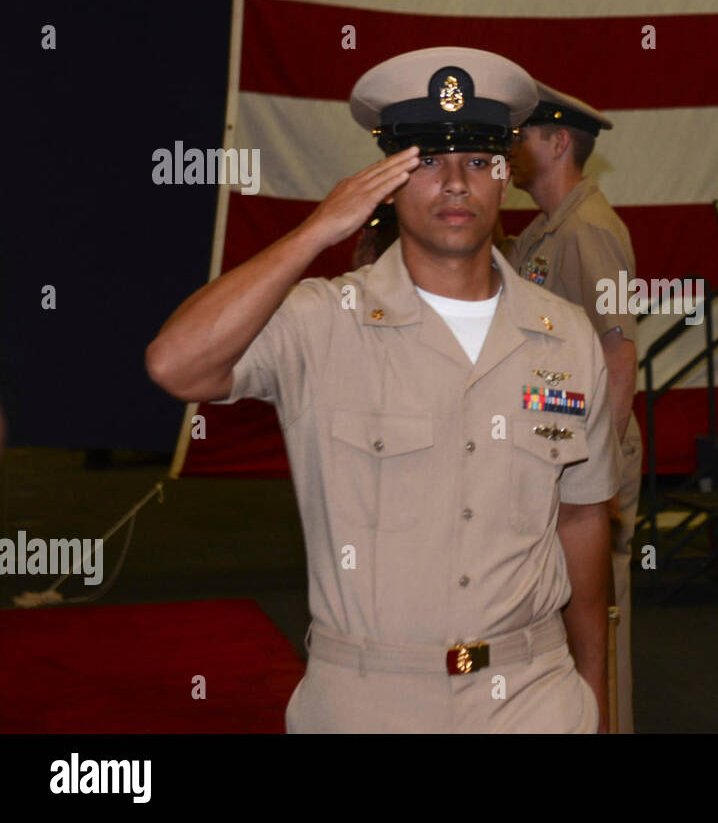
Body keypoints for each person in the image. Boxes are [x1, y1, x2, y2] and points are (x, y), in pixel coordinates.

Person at [145, 47, 619, 733]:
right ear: (385, 181)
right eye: (426, 161)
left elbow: (582, 521)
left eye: (479, 162)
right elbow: (175, 365)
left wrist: (595, 694)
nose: (455, 183)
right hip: (369, 698)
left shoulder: (567, 336)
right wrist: (317, 230)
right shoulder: (320, 320)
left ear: (505, 176)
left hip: (531, 694)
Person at [502, 82, 641, 732]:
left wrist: (599, 472)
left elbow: (619, 357)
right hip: (549, 453)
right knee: (554, 620)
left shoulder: (588, 230)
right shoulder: (540, 231)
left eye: (522, 138)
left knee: (596, 621)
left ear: (559, 143)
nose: (509, 152)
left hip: (585, 459)